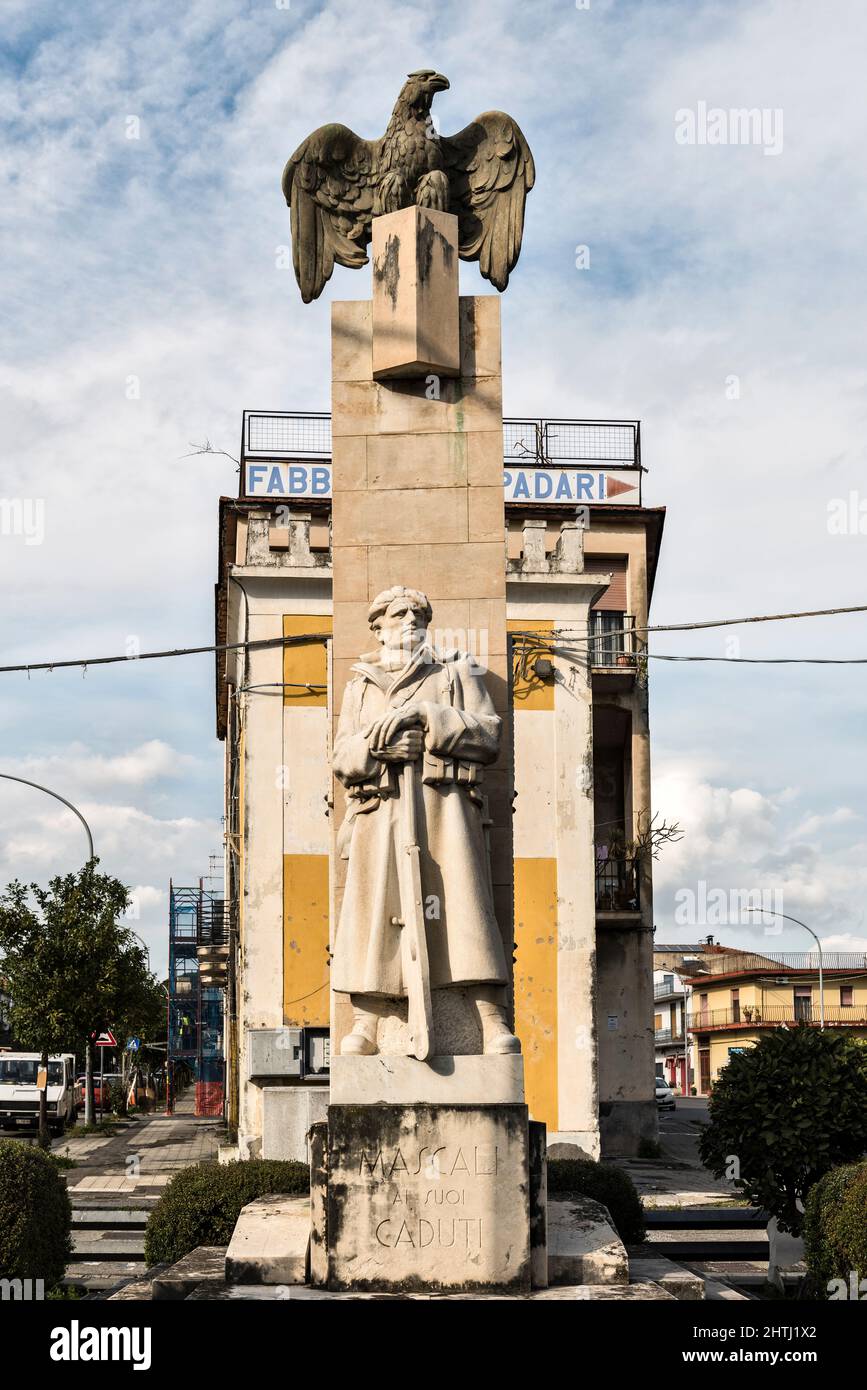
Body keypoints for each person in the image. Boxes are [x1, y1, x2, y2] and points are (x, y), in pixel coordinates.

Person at [332, 585, 520, 1057]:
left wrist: (428, 715)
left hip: (445, 811)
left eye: (419, 614)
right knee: (376, 911)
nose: (411, 621)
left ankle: (490, 1022)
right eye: (399, 614)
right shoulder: (360, 683)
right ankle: (367, 1022)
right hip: (382, 816)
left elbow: (489, 734)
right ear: (378, 626)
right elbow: (341, 755)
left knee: (464, 908)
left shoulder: (458, 669)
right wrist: (380, 750)